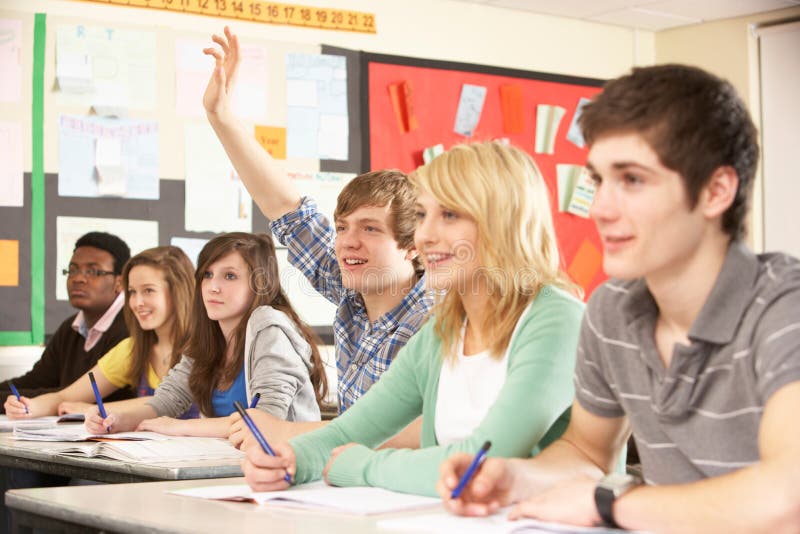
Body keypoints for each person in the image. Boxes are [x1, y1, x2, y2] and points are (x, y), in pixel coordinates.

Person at [436, 65, 800, 531]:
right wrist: (516, 477)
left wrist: (611, 505)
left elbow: (788, 499)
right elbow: (586, 452)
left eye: (631, 180)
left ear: (715, 191)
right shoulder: (611, 311)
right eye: (599, 180)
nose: (602, 208)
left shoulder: (783, 308)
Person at [239, 141, 585, 497]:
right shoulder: (444, 330)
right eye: (422, 216)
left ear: (503, 221)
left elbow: (480, 461)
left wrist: (364, 467)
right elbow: (347, 434)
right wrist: (289, 460)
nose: (425, 236)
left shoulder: (555, 318)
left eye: (449, 215)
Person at [202, 27, 433, 421]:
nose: (347, 243)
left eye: (370, 228)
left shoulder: (434, 321)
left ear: (414, 246)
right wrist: (220, 116)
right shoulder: (351, 294)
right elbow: (284, 205)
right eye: (342, 227)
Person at [85, 232, 327, 437]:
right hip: (221, 464)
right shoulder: (210, 333)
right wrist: (115, 420)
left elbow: (265, 422)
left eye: (229, 276)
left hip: (281, 468)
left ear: (260, 283)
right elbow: (167, 402)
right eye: (207, 275)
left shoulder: (269, 326)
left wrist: (183, 427)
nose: (213, 286)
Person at [3, 246, 198, 420]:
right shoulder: (133, 349)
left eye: (148, 291)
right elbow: (65, 397)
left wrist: (93, 408)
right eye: (132, 292)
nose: (137, 303)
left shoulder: (205, 348)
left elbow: (169, 402)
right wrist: (30, 407)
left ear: (178, 292)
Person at [0, 231, 134, 408]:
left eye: (93, 271)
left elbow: (76, 395)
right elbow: (36, 380)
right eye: (73, 270)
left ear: (120, 282)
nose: (78, 278)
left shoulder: (130, 329)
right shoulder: (70, 328)